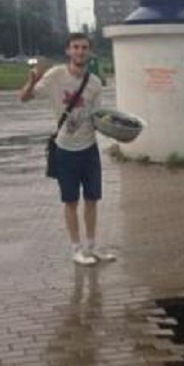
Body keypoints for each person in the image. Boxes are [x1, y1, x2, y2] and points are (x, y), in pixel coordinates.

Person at [20, 32, 114, 266]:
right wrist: (32, 81)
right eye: (76, 47)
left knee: (92, 199)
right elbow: (24, 98)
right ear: (68, 51)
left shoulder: (94, 82)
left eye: (84, 47)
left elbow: (97, 116)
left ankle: (91, 247)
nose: (80, 51)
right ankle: (76, 249)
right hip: (65, 150)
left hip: (89, 148)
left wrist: (114, 128)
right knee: (70, 201)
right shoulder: (55, 76)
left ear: (89, 52)